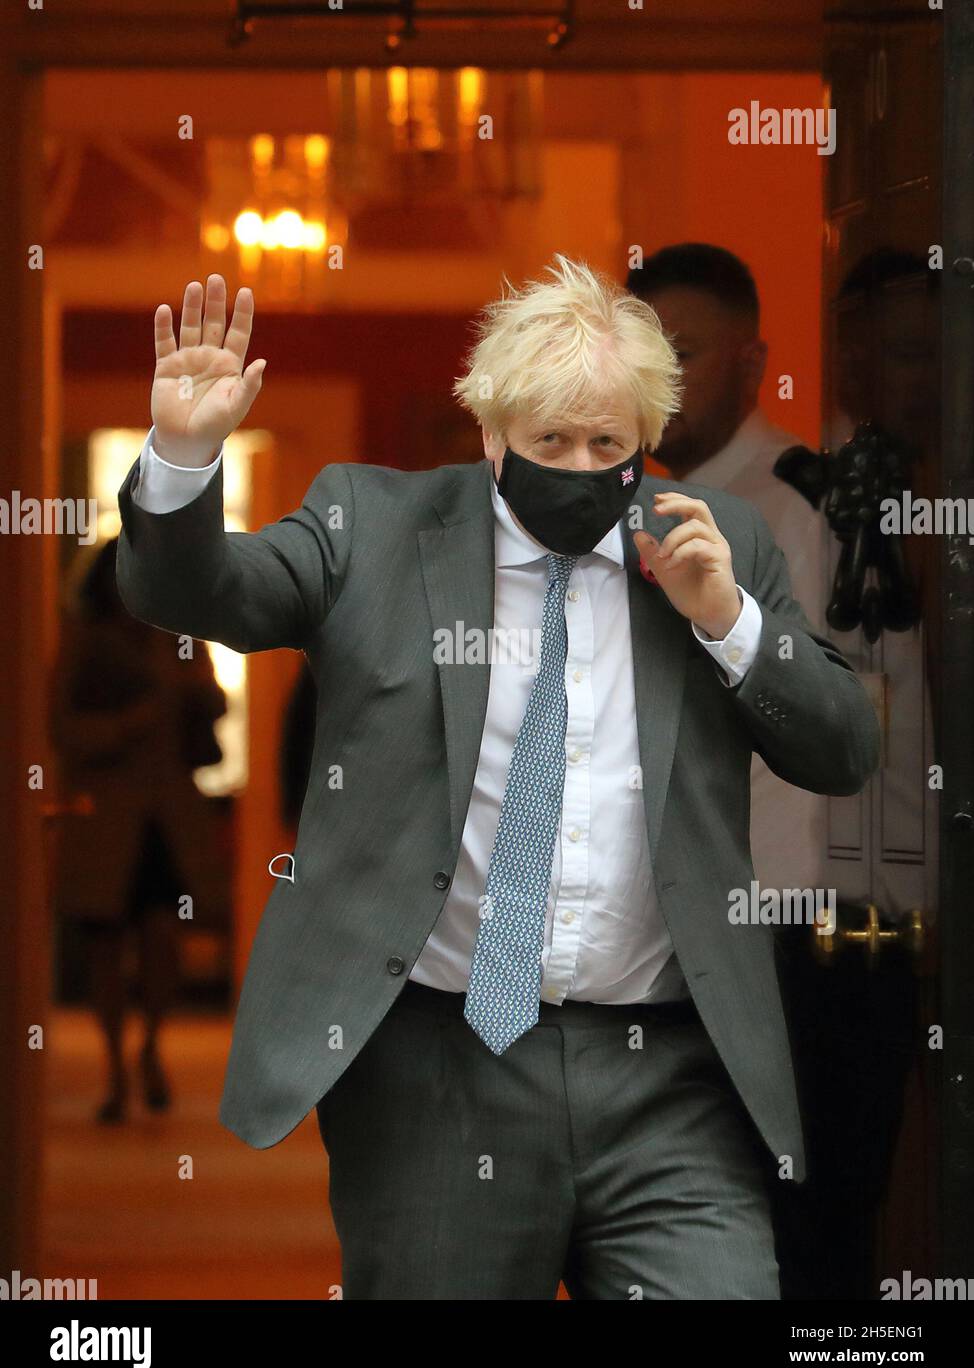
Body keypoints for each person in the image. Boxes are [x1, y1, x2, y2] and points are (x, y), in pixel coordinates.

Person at [114, 259, 880, 1299]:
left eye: (607, 444)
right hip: (439, 1068)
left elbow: (840, 749)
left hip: (667, 1077)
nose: (578, 465)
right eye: (548, 441)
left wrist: (726, 621)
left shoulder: (716, 540)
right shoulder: (370, 526)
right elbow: (196, 589)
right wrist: (185, 454)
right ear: (489, 432)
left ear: (644, 444)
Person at [627, 243, 827, 896]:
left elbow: (808, 709)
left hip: (768, 890)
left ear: (751, 366)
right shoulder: (649, 504)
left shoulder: (792, 505)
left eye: (682, 357)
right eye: (643, 360)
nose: (659, 383)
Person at [50, 537, 227, 1122]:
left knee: (162, 937)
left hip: (167, 814)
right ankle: (114, 1066)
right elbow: (62, 728)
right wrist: (129, 723)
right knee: (106, 942)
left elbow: (215, 701)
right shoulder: (84, 645)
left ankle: (149, 1046)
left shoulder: (179, 633)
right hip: (107, 813)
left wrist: (195, 696)